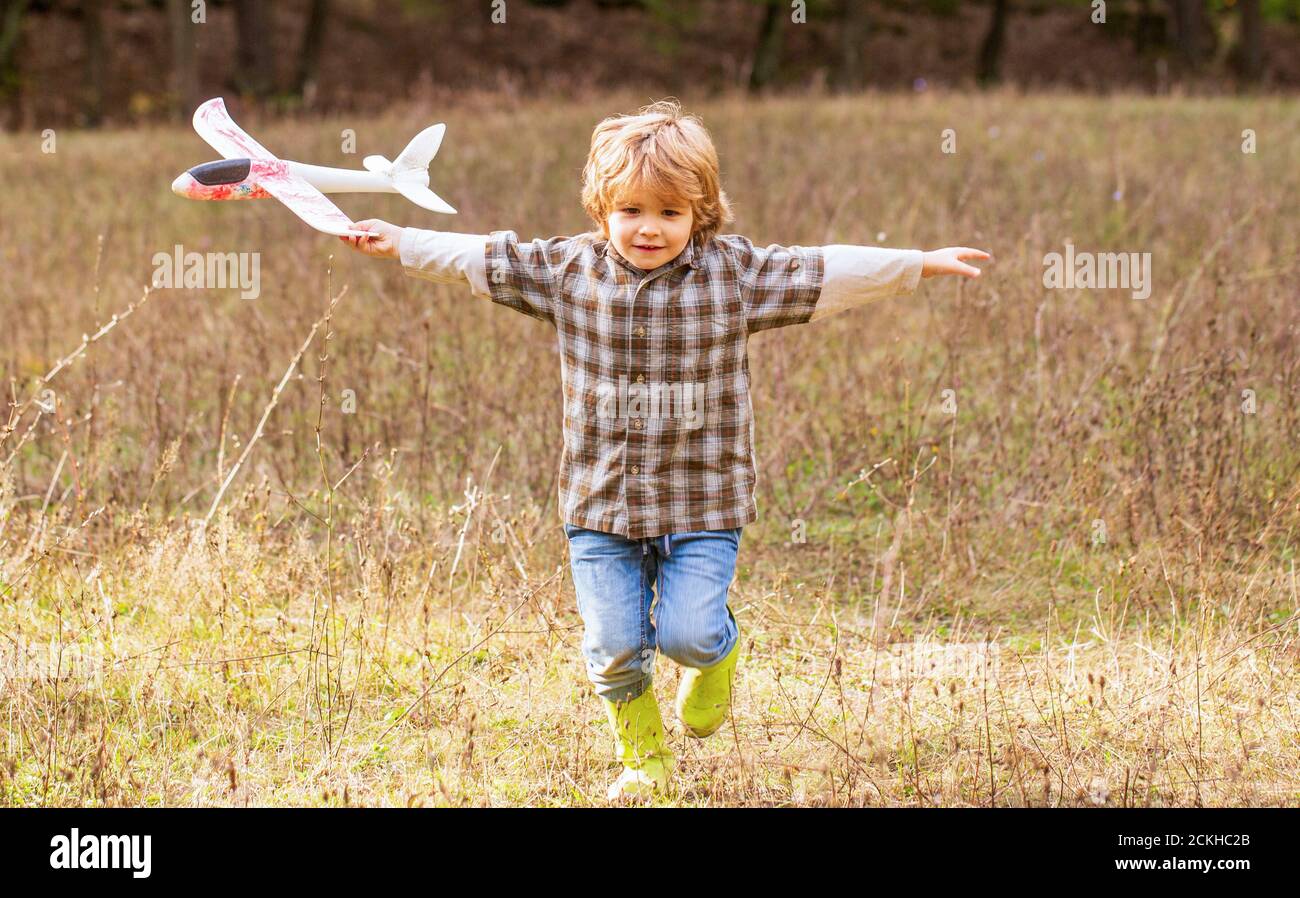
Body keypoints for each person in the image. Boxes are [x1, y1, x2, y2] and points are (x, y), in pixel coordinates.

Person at [341, 98, 989, 801]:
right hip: (600, 504)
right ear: (601, 209)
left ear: (700, 213)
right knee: (614, 649)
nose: (649, 229)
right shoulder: (567, 271)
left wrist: (918, 262)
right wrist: (399, 238)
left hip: (702, 502)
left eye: (670, 214)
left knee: (688, 637)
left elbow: (825, 272)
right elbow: (478, 255)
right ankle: (643, 762)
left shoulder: (733, 275)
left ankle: (719, 655)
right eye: (632, 211)